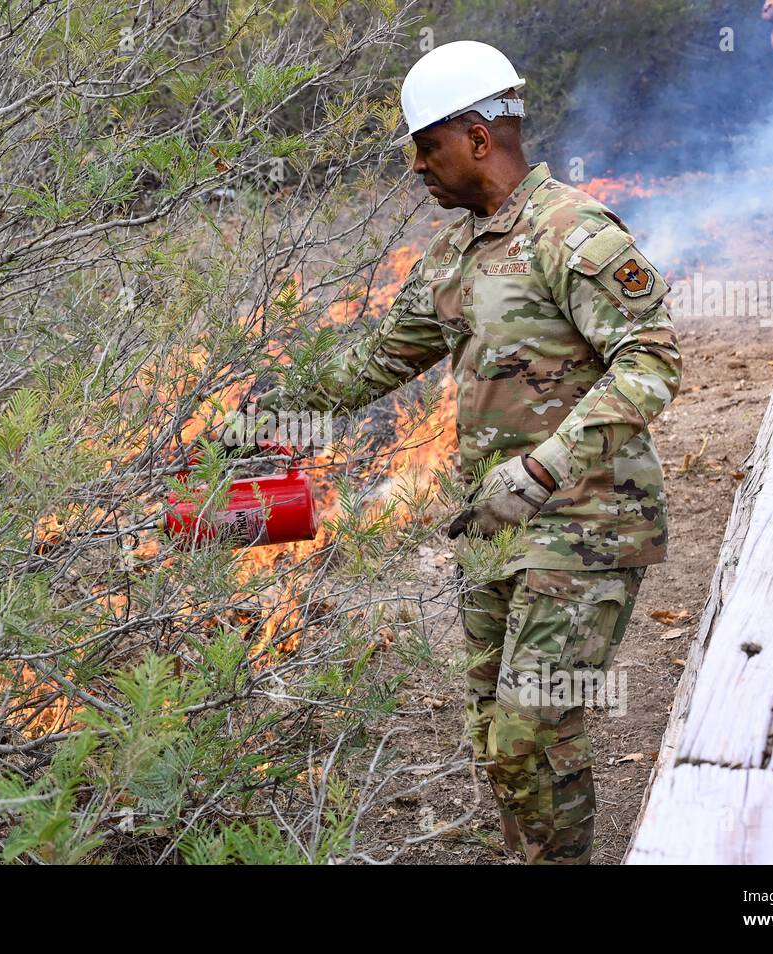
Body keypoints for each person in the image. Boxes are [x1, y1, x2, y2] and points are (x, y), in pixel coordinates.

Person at [238, 40, 682, 864]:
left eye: (427, 144)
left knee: (532, 728)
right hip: (492, 530)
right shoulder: (453, 256)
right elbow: (374, 363)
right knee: (495, 736)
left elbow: (653, 360)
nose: (416, 165)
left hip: (586, 522)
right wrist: (267, 418)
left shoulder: (572, 232)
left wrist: (544, 464)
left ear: (479, 137)